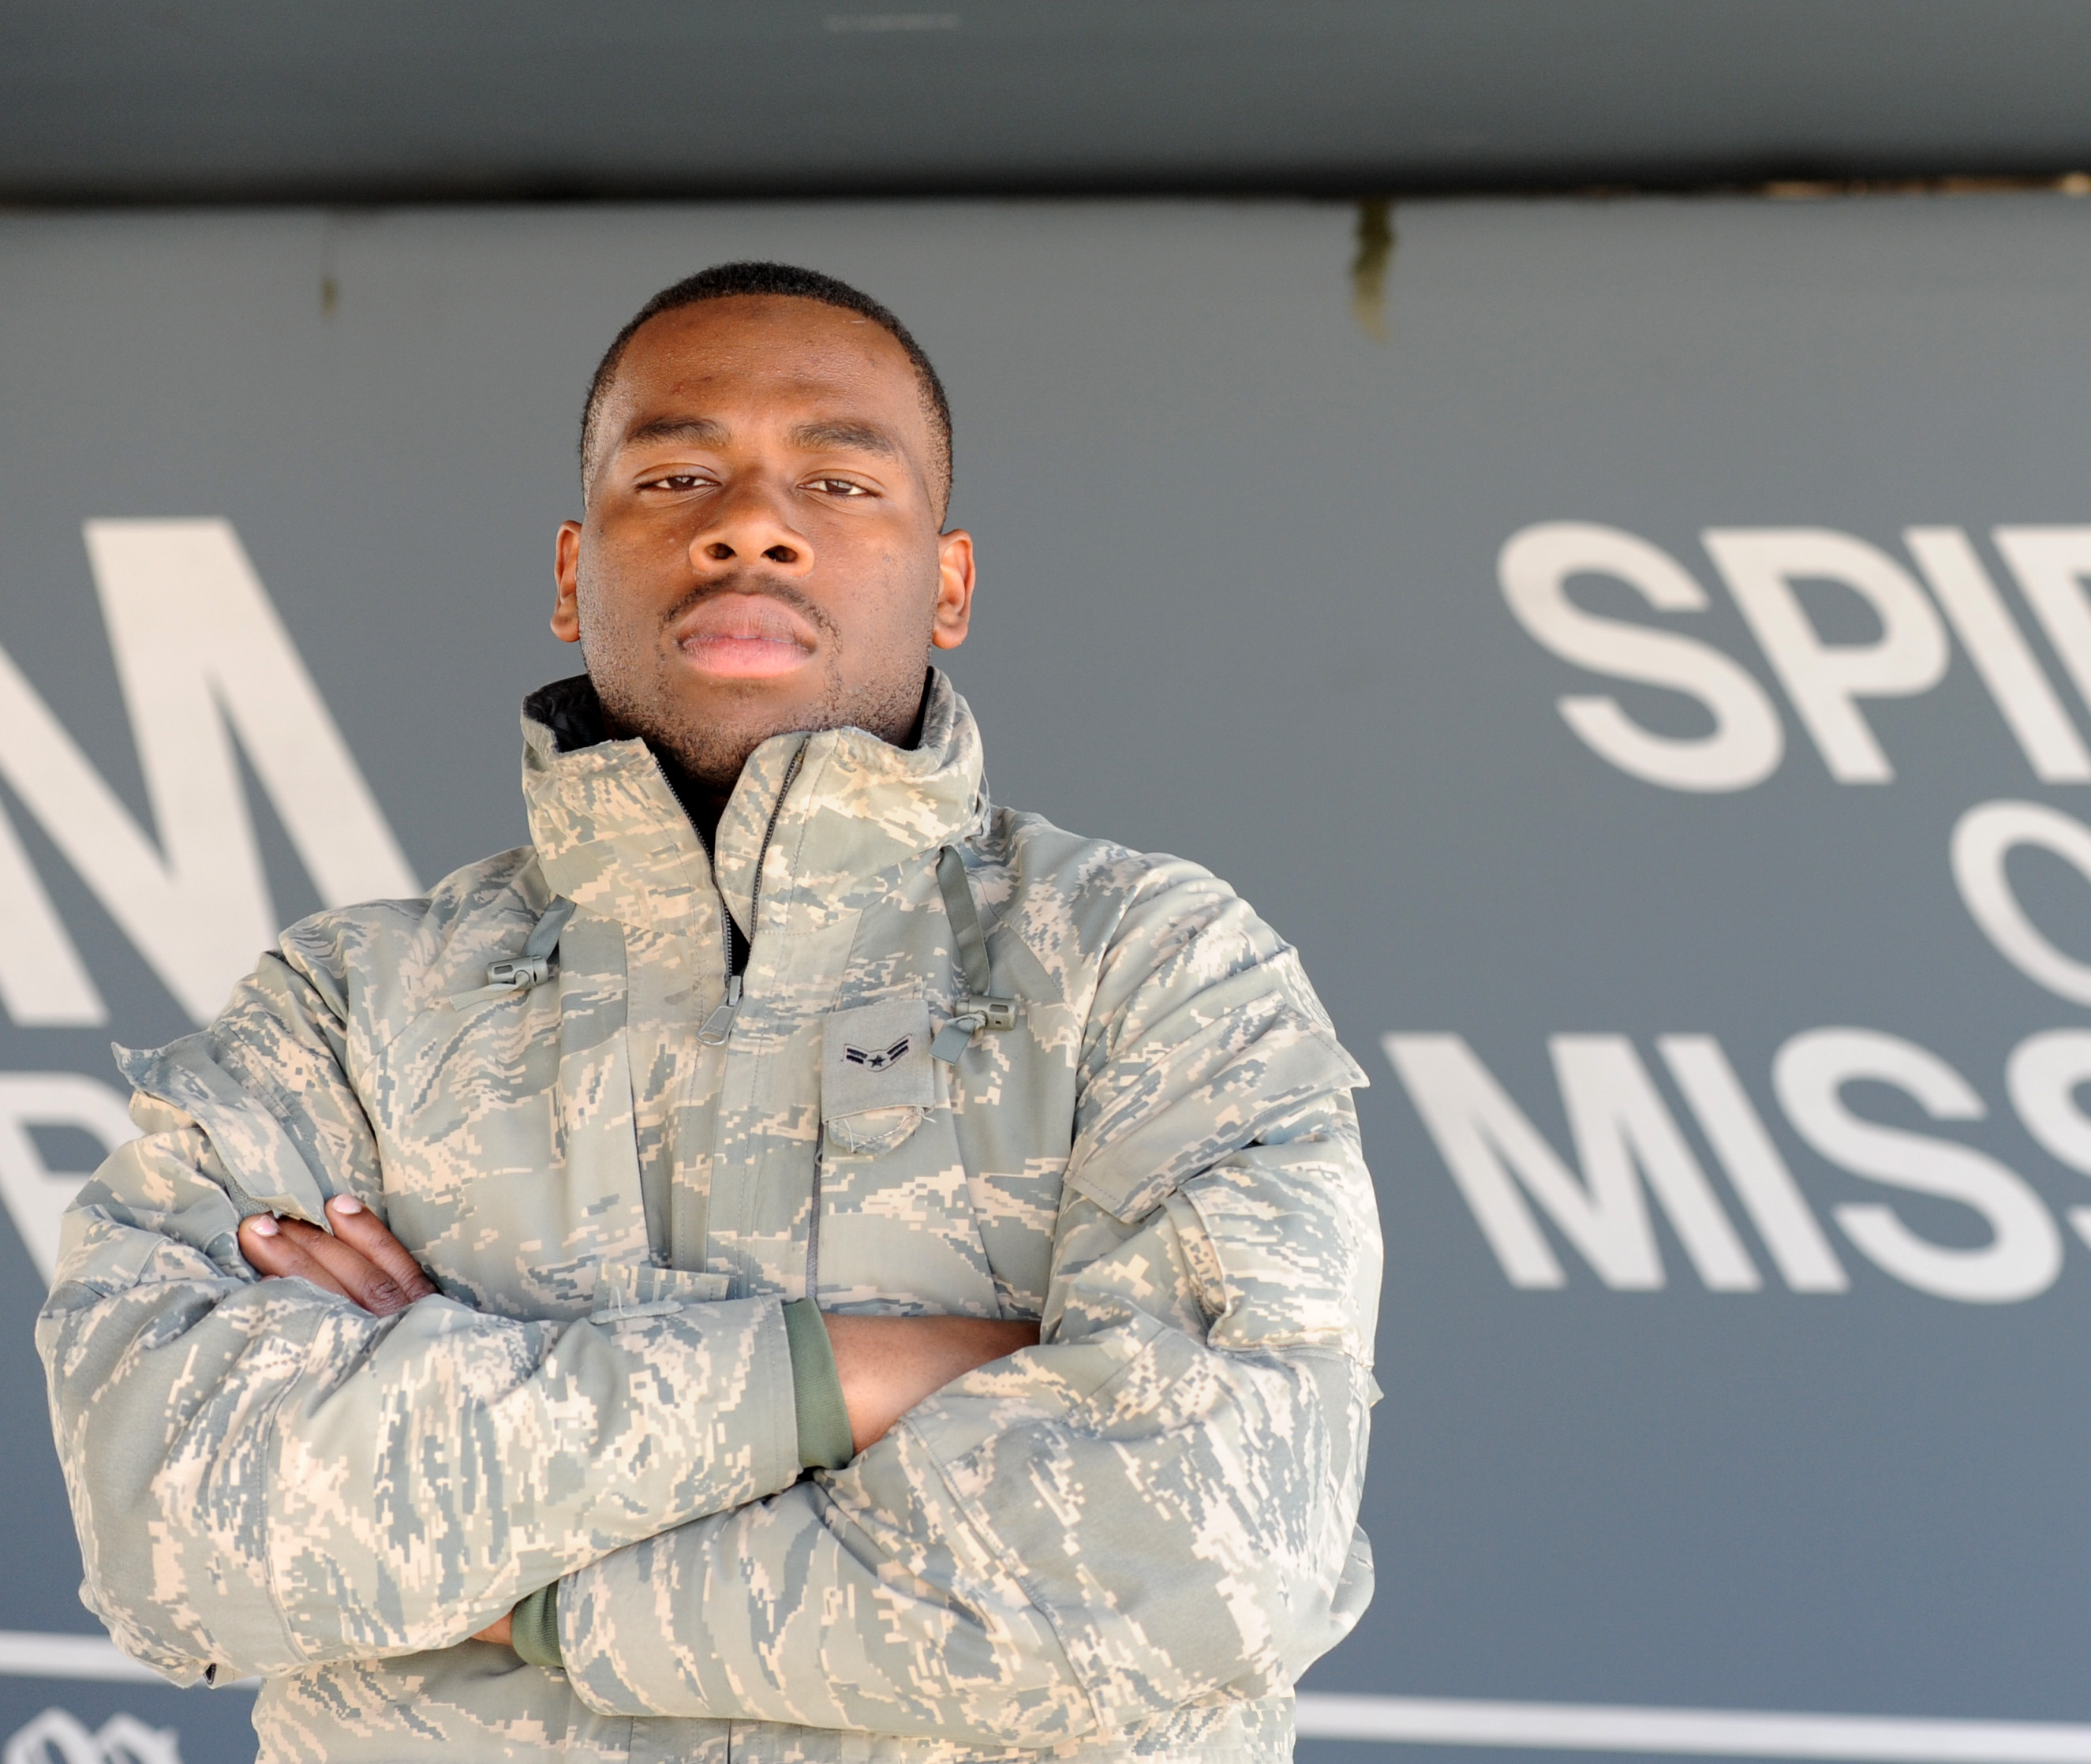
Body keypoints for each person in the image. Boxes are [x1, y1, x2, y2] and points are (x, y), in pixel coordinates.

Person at [37, 261, 1380, 1763]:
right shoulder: (353, 1006)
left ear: (948, 581)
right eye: (677, 473)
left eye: (839, 478)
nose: (750, 523)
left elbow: (1208, 1561)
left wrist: (510, 1582)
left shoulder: (1146, 964)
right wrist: (853, 1375)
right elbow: (179, 1523)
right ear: (569, 566)